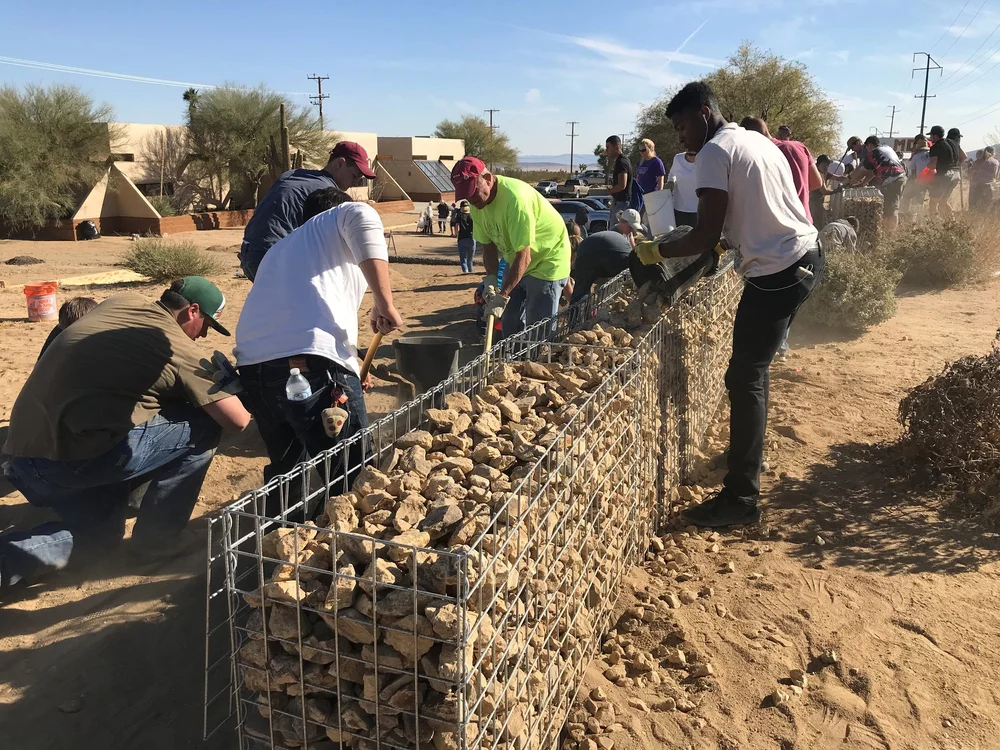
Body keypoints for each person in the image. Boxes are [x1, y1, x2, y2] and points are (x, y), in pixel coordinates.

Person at [635, 81, 823, 528]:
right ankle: (746, 457)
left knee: (744, 375)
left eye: (681, 127)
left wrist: (654, 252)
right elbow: (752, 208)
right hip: (803, 257)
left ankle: (741, 500)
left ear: (703, 114)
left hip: (778, 271)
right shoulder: (753, 139)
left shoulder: (716, 153)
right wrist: (728, 240)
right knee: (752, 373)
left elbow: (701, 233)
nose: (680, 138)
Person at [0, 277, 251, 588]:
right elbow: (237, 421)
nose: (202, 335)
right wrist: (225, 385)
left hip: (22, 458)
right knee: (203, 425)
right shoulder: (177, 345)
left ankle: (7, 561)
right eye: (206, 325)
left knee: (100, 538)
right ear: (192, 311)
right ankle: (159, 541)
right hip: (65, 464)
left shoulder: (122, 302)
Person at [235, 188, 403, 491]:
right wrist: (384, 303)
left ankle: (283, 534)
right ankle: (351, 534)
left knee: (289, 474)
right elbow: (360, 214)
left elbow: (298, 312)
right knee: (351, 475)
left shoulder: (280, 250)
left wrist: (349, 363)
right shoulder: (343, 215)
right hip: (310, 365)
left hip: (254, 369)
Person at [450, 156, 571, 338]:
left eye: (473, 191)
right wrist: (491, 280)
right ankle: (512, 363)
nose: (470, 198)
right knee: (509, 320)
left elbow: (525, 256)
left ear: (488, 179)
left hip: (547, 257)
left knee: (538, 327)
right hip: (514, 259)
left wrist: (503, 295)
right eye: (465, 194)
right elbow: (488, 247)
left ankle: (536, 362)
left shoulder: (515, 200)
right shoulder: (477, 204)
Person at [238, 141, 376, 281]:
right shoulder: (326, 193)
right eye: (354, 176)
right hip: (272, 258)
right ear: (340, 163)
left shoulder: (293, 174)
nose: (355, 183)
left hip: (248, 252)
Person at [739, 117, 823, 224]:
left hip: (777, 228)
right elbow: (817, 182)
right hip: (804, 224)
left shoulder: (758, 153)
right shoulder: (799, 146)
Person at [566, 213, 637, 305]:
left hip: (591, 254)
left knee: (582, 290)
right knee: (607, 288)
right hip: (608, 256)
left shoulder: (618, 236)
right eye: (630, 227)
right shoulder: (616, 237)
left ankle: (581, 314)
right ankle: (595, 310)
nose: (631, 231)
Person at [850, 135, 908, 231]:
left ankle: (889, 233)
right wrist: (863, 183)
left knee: (891, 209)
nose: (867, 150)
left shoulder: (873, 153)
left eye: (867, 147)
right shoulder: (886, 148)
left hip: (893, 180)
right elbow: (873, 172)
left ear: (870, 145)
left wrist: (850, 180)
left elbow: (861, 171)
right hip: (901, 178)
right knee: (890, 207)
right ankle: (888, 230)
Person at [927, 125, 961, 215]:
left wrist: (926, 168)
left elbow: (932, 165)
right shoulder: (954, 143)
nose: (930, 138)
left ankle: (934, 225)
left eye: (931, 136)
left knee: (933, 202)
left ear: (935, 136)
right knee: (943, 202)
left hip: (944, 176)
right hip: (956, 175)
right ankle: (952, 223)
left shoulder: (936, 147)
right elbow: (964, 156)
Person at [902, 134, 932, 217]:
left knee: (908, 197)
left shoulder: (916, 156)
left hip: (921, 180)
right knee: (932, 200)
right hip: (932, 179)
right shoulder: (932, 154)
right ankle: (926, 216)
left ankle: (911, 215)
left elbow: (913, 171)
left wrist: (913, 181)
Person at [606, 135, 634, 221]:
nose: (606, 150)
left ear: (616, 147)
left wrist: (611, 191)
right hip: (620, 202)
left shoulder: (622, 162)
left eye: (608, 147)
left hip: (621, 203)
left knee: (615, 231)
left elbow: (622, 184)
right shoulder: (622, 160)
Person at [669, 150, 699, 227]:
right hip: (679, 207)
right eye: (690, 154)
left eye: (695, 155)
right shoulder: (678, 158)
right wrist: (671, 182)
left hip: (697, 208)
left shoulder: (704, 160)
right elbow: (672, 174)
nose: (693, 157)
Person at [969, 146, 999, 212]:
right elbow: (996, 176)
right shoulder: (996, 162)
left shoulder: (978, 162)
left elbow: (971, 173)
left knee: (974, 206)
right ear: (993, 153)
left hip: (977, 185)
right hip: (990, 186)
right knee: (988, 206)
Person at [455, 200, 476, 273]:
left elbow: (457, 226)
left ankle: (465, 271)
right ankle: (470, 271)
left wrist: (456, 233)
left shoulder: (459, 215)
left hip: (462, 238)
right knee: (470, 259)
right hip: (472, 238)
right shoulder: (472, 215)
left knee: (463, 258)